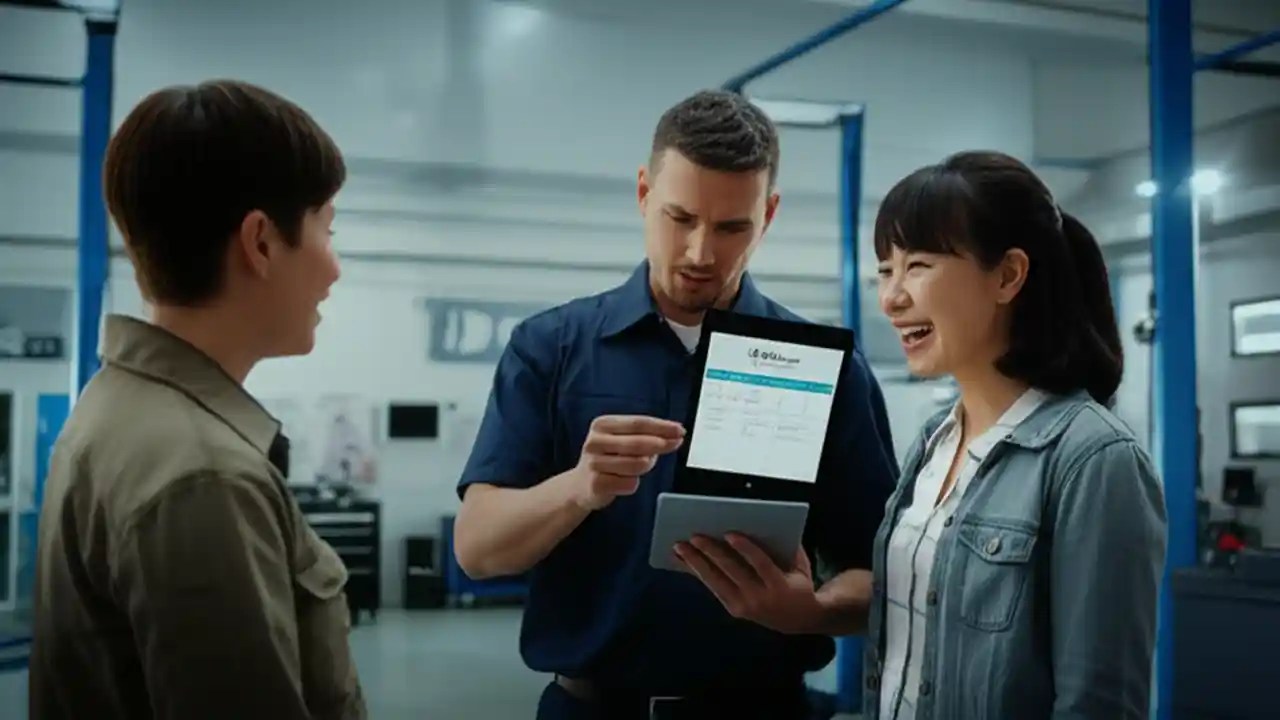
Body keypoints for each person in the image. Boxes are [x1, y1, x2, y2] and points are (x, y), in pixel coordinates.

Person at [454, 88, 899, 720]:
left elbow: (883, 576)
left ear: (769, 214)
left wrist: (813, 611)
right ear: (643, 193)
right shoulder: (550, 350)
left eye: (732, 227)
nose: (700, 253)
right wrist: (578, 488)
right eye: (680, 217)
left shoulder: (827, 371)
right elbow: (477, 549)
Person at [29, 79, 365, 719]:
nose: (334, 268)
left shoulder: (119, 407)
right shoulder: (204, 475)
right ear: (260, 242)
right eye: (327, 230)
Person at [863, 151, 1167, 719]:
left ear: (1007, 276)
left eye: (918, 265)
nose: (891, 298)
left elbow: (1098, 704)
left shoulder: (1094, 460)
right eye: (886, 270)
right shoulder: (933, 441)